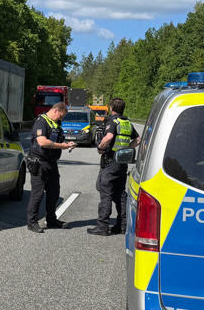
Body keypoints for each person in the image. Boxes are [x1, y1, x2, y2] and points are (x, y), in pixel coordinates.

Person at [87, 97, 140, 236]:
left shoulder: (113, 120)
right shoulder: (127, 123)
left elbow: (109, 137)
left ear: (111, 108)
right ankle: (122, 226)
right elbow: (138, 139)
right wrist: (126, 148)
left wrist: (100, 147)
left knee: (105, 193)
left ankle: (102, 226)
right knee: (120, 195)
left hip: (110, 162)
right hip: (122, 163)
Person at [26, 102, 76, 233]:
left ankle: (52, 220)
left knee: (54, 192)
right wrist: (62, 146)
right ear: (56, 111)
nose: (61, 118)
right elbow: (42, 142)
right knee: (37, 194)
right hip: (40, 162)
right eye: (61, 115)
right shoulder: (41, 122)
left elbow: (56, 141)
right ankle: (32, 222)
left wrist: (66, 144)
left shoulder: (55, 124)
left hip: (51, 162)